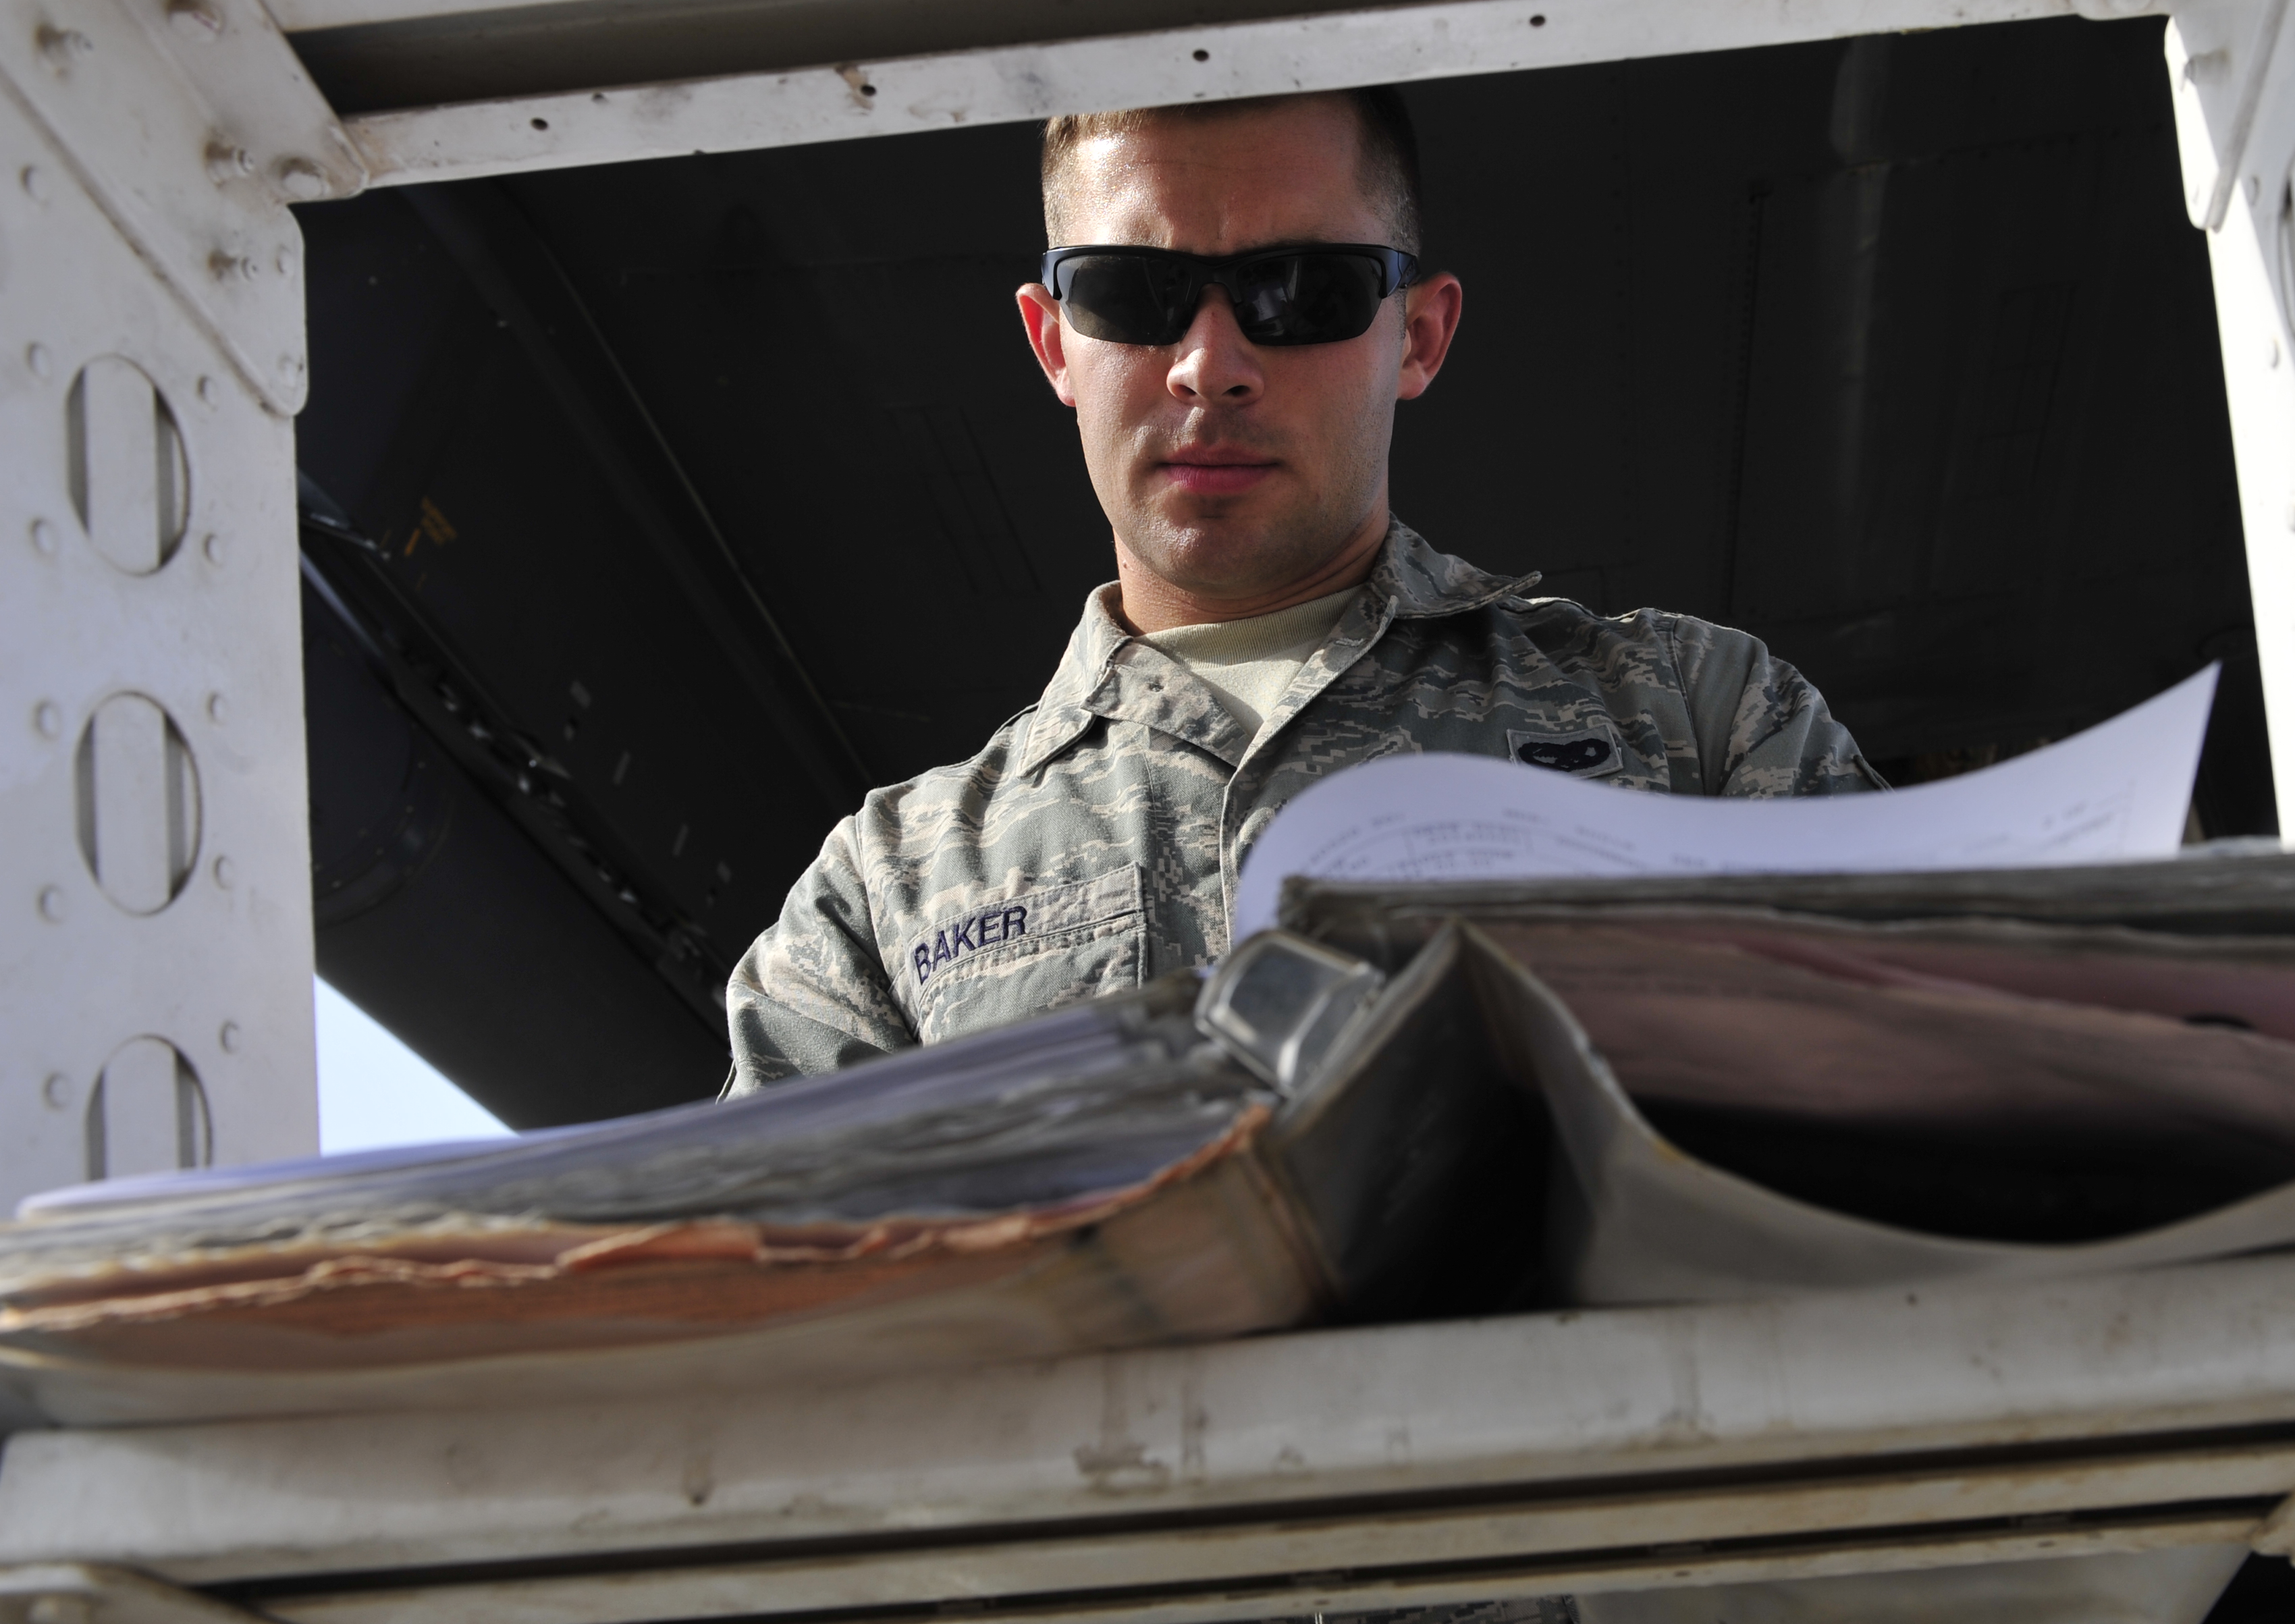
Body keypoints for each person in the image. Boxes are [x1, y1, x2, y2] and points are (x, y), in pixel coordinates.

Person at [724, 87, 1879, 1091]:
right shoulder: (882, 897)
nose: (1210, 365)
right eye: (1132, 293)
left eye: (1301, 292)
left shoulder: (1697, 722)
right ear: (1054, 345)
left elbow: (1951, 1121)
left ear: (1419, 336)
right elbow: (774, 1299)